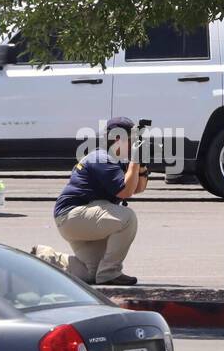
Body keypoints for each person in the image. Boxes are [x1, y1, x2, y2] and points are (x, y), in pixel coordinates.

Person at [31, 117, 147, 286]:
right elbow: (126, 191)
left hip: (77, 219)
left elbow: (138, 188)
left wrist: (140, 164)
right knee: (127, 218)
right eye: (132, 141)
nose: (133, 145)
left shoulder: (112, 160)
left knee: (91, 273)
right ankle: (110, 273)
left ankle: (44, 257)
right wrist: (135, 159)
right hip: (74, 216)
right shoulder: (101, 159)